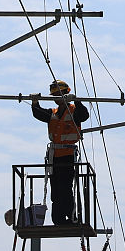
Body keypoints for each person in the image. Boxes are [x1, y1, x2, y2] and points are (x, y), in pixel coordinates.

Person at [31, 79, 90, 225]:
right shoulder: (53, 113)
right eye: (55, 96)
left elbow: (84, 116)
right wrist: (35, 102)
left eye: (59, 95)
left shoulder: (74, 111)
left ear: (65, 94)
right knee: (56, 190)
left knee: (65, 188)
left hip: (67, 156)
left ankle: (71, 217)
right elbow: (39, 114)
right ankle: (58, 219)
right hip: (54, 157)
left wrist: (76, 101)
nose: (56, 99)